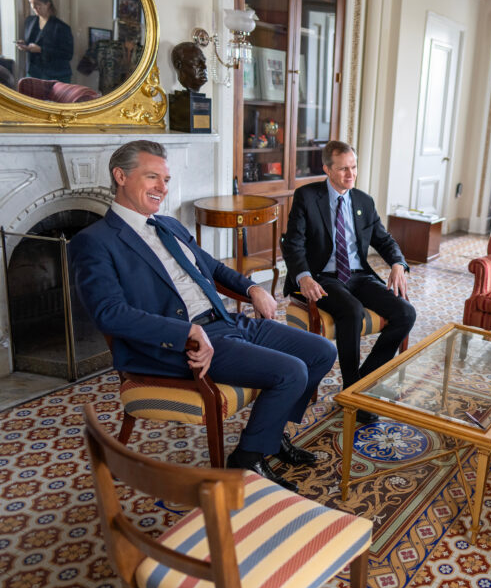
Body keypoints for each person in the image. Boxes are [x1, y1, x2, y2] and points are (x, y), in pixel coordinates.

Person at [69, 140, 337, 492]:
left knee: (322, 351)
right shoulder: (95, 241)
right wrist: (186, 332)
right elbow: (110, 314)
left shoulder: (168, 225)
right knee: (292, 371)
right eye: (153, 177)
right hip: (180, 344)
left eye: (165, 179)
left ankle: (271, 434)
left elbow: (209, 267)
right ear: (120, 176)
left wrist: (251, 289)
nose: (163, 188)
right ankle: (246, 458)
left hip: (225, 323)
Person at [281, 140, 416, 423]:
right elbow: (292, 243)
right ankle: (353, 392)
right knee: (352, 311)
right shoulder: (307, 196)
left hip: (358, 274)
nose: (350, 174)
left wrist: (398, 263)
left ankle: (360, 384)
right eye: (343, 169)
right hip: (323, 276)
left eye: (353, 167)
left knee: (406, 313)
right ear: (327, 169)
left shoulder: (363, 201)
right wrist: (303, 277)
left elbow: (383, 238)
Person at [16, 0, 73, 83]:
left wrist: (41, 50)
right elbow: (34, 41)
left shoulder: (61, 27)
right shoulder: (29, 21)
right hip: (33, 72)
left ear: (48, 4)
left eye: (37, 3)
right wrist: (25, 45)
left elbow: (68, 54)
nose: (33, 7)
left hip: (56, 75)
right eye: (31, 3)